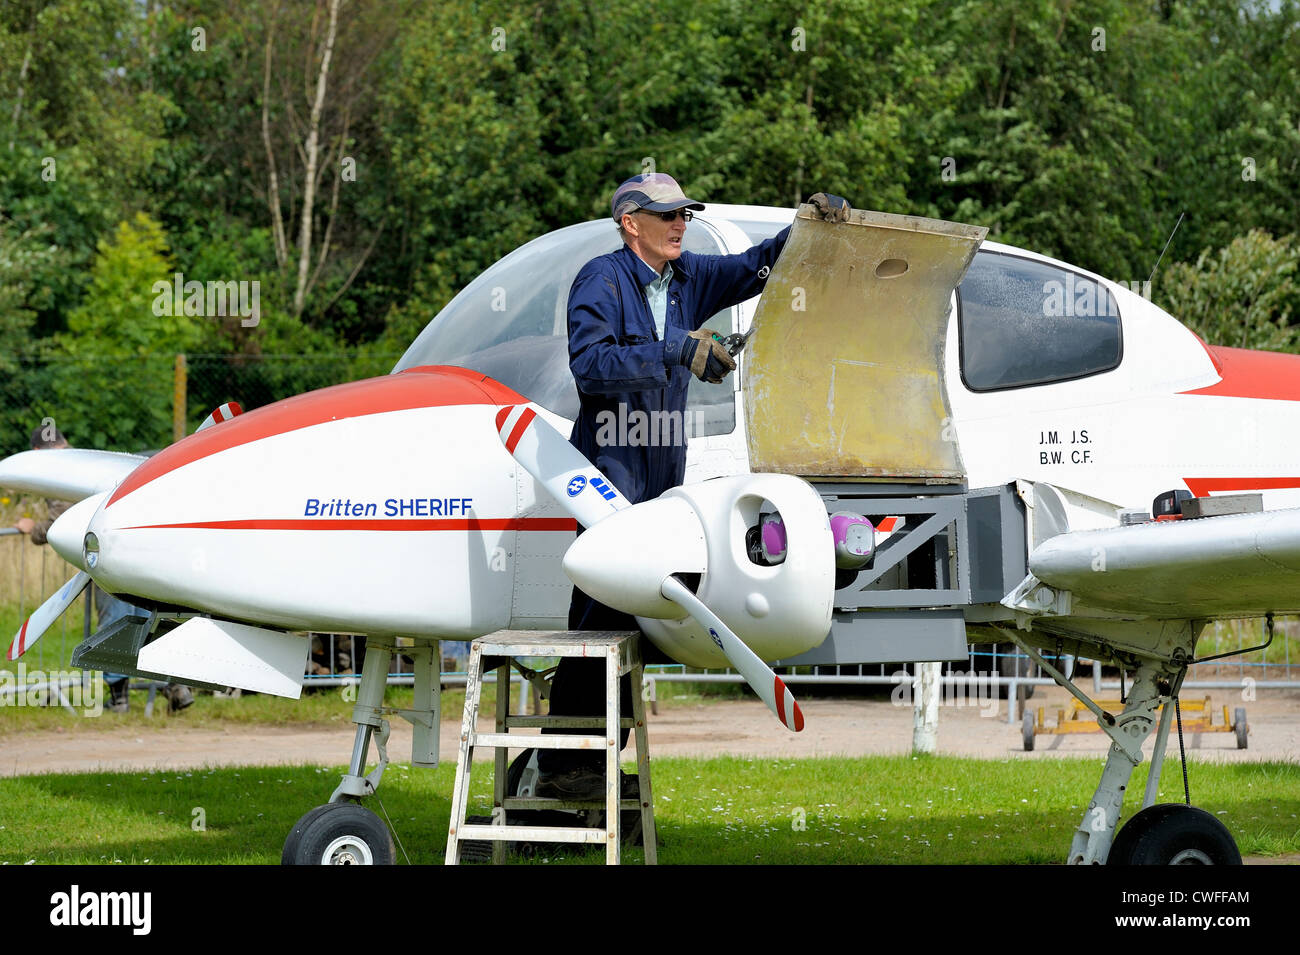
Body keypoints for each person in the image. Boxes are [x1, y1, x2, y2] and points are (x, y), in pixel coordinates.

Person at [535, 174, 850, 798]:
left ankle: (593, 762)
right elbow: (590, 366)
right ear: (631, 223)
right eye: (668, 215)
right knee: (604, 611)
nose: (681, 224)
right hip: (611, 460)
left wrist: (807, 228)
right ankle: (566, 763)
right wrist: (679, 350)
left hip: (660, 463)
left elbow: (755, 267)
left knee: (643, 615)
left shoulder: (686, 278)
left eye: (684, 214)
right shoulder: (601, 278)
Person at [14, 426, 194, 714]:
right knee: (149, 620)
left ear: (36, 453)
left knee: (115, 623)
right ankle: (175, 686)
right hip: (143, 556)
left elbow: (61, 521)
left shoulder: (62, 470)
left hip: (110, 556)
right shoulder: (94, 460)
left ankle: (120, 698)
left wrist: (32, 530)